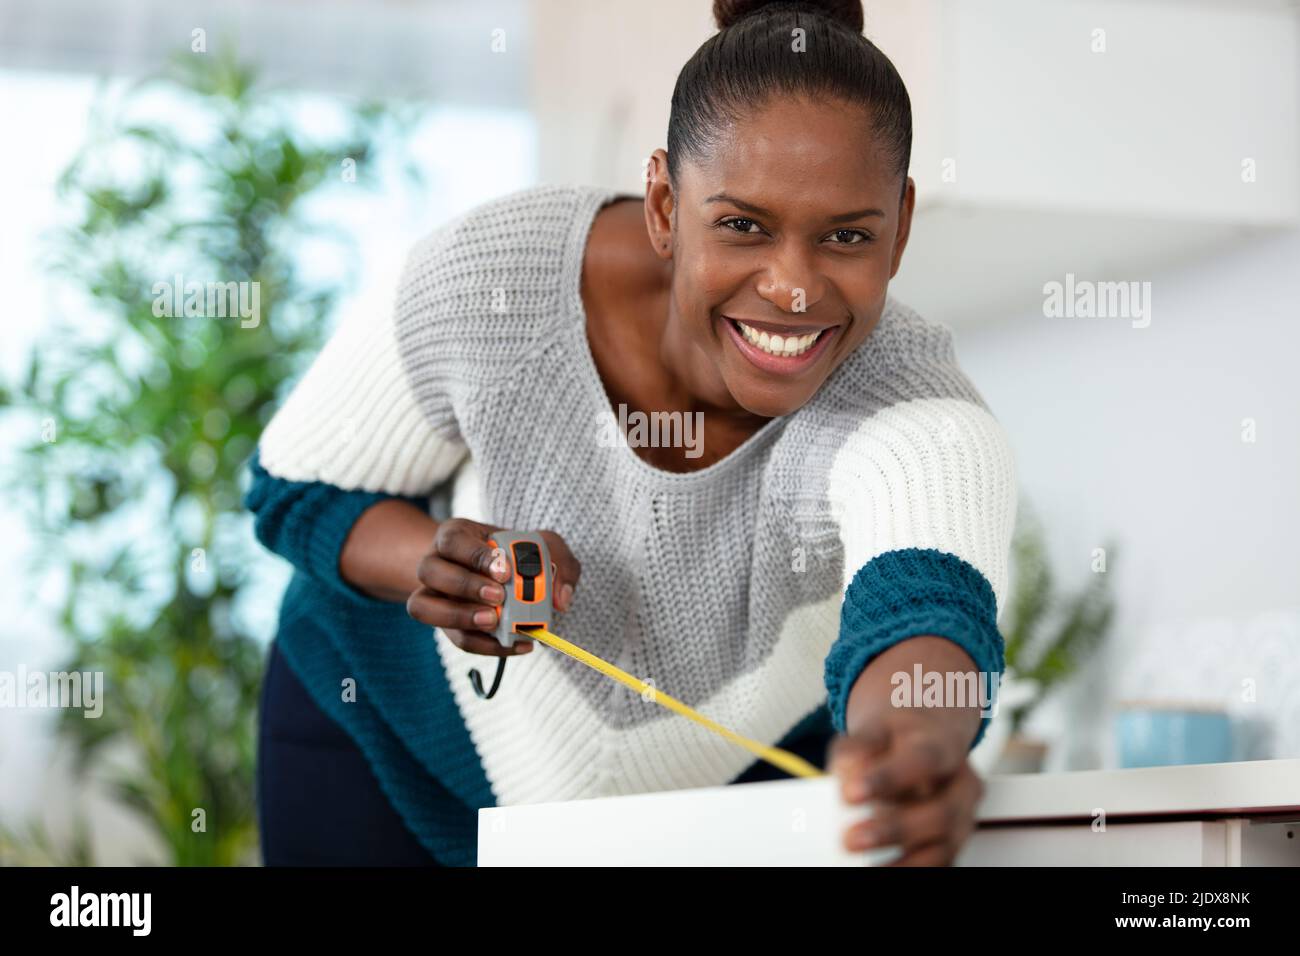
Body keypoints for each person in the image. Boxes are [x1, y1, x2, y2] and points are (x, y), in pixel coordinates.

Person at [246, 0, 1017, 867]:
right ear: (662, 203)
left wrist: (914, 750)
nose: (794, 289)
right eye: (741, 226)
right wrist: (438, 562)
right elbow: (293, 492)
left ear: (901, 225)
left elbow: (923, 610)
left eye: (846, 236)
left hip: (718, 802)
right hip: (385, 737)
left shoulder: (918, 415)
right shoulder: (493, 283)